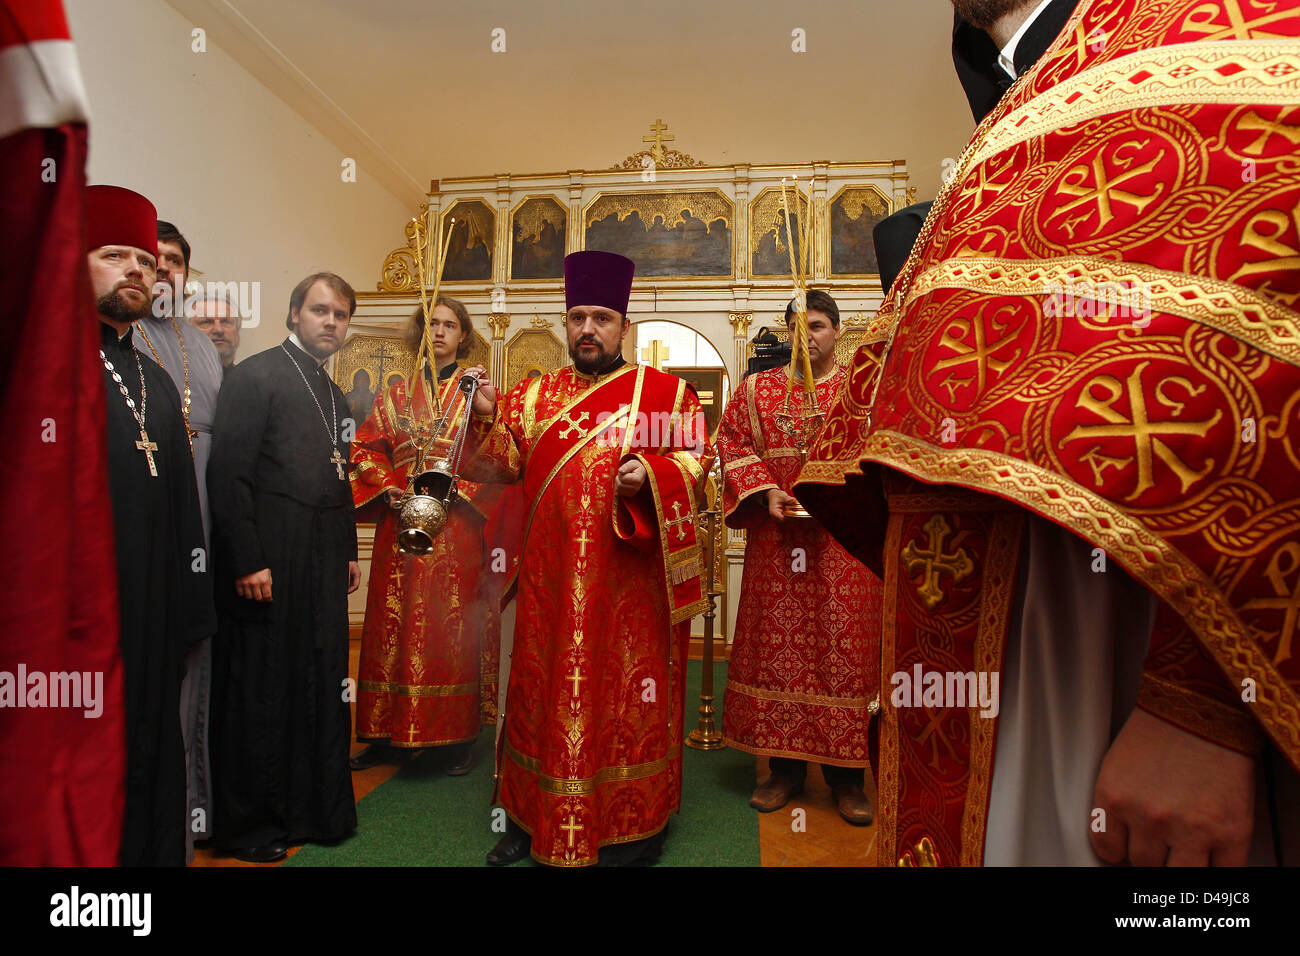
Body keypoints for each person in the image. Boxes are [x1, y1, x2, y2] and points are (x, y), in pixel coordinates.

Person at [795, 0, 1300, 865]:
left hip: (1137, 698)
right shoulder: (1001, 127)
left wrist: (1206, 706)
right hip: (980, 687)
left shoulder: (1240, 21)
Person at [463, 250, 711, 867]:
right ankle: (525, 815)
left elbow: (699, 463)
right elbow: (497, 468)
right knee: (541, 694)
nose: (588, 329)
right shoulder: (534, 395)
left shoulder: (664, 395)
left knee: (627, 697)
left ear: (623, 326)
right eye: (577, 317)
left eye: (601, 317)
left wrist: (649, 475)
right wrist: (486, 418)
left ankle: (635, 819)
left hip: (627, 588)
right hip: (550, 586)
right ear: (566, 323)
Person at [208, 272, 361, 863]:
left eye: (341, 315)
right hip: (270, 554)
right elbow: (229, 474)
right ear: (294, 314)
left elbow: (341, 477)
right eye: (320, 310)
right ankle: (253, 825)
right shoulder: (256, 376)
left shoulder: (334, 394)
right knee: (265, 687)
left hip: (322, 557)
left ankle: (318, 812)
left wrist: (348, 550)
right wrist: (247, 558)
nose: (331, 322)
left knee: (321, 677)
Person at [715, 291, 882, 824]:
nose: (805, 336)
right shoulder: (755, 391)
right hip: (778, 547)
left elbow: (881, 453)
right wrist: (765, 491)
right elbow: (732, 444)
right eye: (795, 327)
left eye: (816, 325)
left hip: (844, 549)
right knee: (778, 655)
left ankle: (847, 779)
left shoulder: (862, 392)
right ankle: (783, 771)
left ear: (836, 331)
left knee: (844, 658)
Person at [87, 185, 214, 866]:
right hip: (74, 629)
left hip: (155, 617)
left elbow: (181, 511)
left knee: (150, 754)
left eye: (145, 257)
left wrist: (192, 608)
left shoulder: (153, 375)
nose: (139, 269)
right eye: (115, 255)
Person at [348, 297, 502, 772]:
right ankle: (382, 731)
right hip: (401, 530)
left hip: (455, 531)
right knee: (389, 629)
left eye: (449, 325)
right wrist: (391, 488)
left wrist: (459, 486)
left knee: (448, 629)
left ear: (463, 335)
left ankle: (454, 737)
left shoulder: (477, 391)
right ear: (420, 332)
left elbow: (501, 457)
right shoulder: (393, 396)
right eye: (431, 324)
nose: (438, 332)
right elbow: (364, 450)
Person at [135, 218, 223, 859]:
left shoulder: (203, 346)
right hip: (144, 540)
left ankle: (192, 823)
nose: (164, 270)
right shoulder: (118, 339)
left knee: (197, 683)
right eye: (152, 258)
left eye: (174, 261)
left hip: (206, 540)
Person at [188, 289, 242, 372]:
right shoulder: (173, 381)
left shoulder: (251, 381)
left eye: (225, 322)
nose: (218, 330)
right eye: (206, 322)